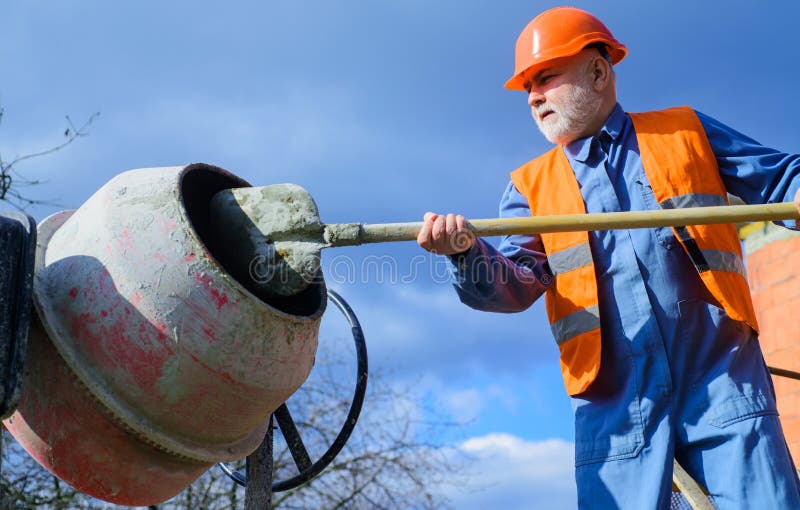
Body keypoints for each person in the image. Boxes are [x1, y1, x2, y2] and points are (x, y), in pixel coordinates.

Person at [417, 6, 800, 509]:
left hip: (724, 385)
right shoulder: (529, 187)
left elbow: (783, 180)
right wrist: (466, 254)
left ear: (598, 72)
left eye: (545, 77)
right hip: (618, 414)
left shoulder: (684, 134)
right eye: (527, 87)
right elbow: (512, 287)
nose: (532, 97)